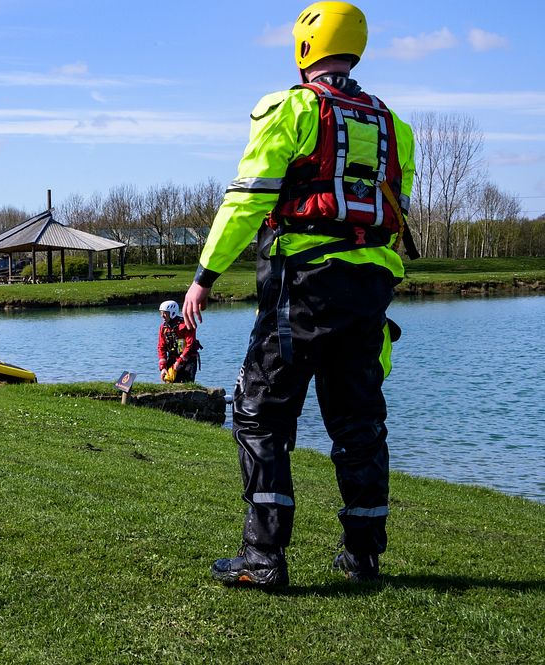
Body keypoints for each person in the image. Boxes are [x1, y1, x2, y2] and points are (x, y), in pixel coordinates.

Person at [182, 1, 416, 587]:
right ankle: (363, 558)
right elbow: (395, 213)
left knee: (259, 414)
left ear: (306, 46)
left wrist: (205, 275)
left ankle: (264, 559)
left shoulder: (291, 110)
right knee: (358, 422)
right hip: (369, 292)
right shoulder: (394, 126)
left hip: (303, 286)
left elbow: (247, 198)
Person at [157, 300, 200, 383]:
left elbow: (189, 345)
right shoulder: (163, 328)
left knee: (187, 384)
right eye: (161, 313)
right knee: (170, 383)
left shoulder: (186, 325)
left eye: (165, 313)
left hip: (188, 360)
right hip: (173, 359)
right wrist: (163, 368)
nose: (162, 316)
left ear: (172, 313)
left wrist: (179, 361)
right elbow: (161, 347)